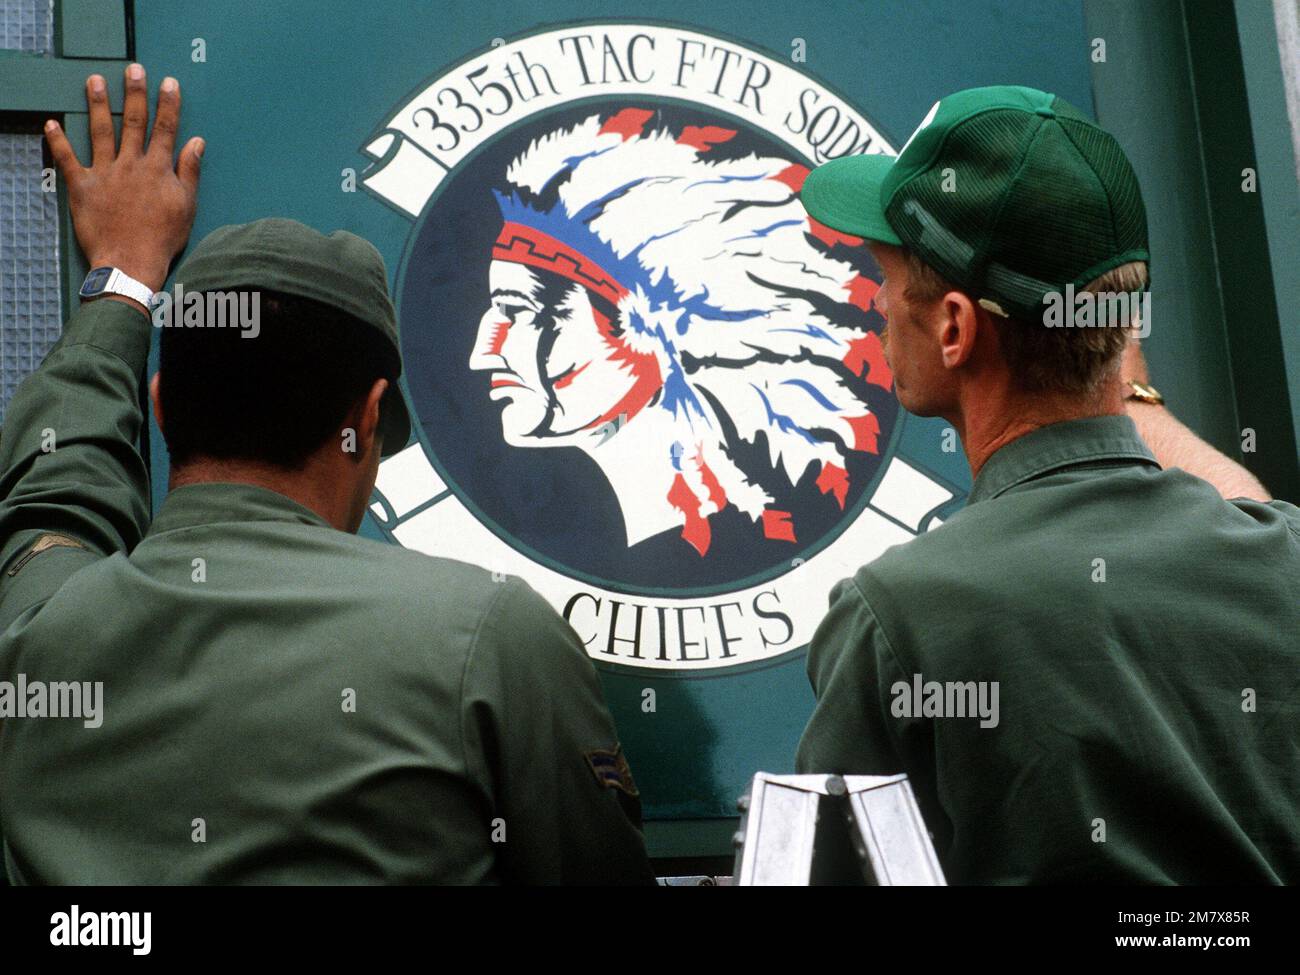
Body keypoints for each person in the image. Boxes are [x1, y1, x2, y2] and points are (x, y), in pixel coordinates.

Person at [0, 64, 653, 885]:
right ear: (369, 421)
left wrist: (122, 283)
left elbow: (55, 492)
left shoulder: (36, 634)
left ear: (161, 409)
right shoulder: (488, 640)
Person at [795, 85, 1299, 883]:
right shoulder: (1284, 559)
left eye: (883, 277)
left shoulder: (899, 619)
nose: (877, 304)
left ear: (955, 327)